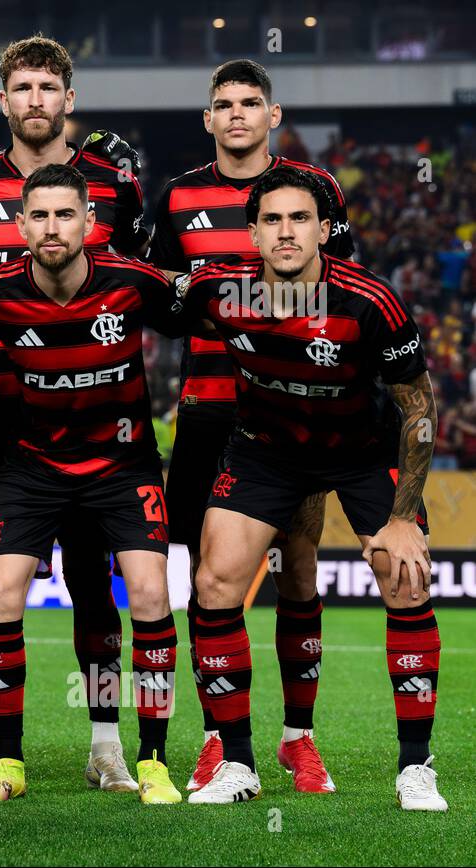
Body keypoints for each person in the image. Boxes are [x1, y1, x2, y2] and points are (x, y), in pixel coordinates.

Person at [180, 166, 445, 810]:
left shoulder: (368, 300)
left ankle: (416, 768)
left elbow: (420, 411)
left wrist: (404, 515)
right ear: (252, 233)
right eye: (272, 220)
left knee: (405, 576)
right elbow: (145, 291)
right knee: (214, 582)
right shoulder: (221, 295)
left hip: (359, 454)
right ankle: (236, 763)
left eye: (300, 219)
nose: (286, 232)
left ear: (325, 229)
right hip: (265, 453)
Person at [0, 34, 150, 792]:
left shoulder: (113, 184)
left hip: (101, 414)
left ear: (71, 99)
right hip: (3, 416)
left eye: (48, 88)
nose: (36, 101)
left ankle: (106, 746)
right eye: (22, 88)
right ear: (4, 101)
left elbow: (140, 279)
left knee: (97, 589)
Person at [150, 59, 356, 794]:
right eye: (222, 105)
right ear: (207, 119)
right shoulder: (176, 197)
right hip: (209, 409)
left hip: (298, 409)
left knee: (297, 569)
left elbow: (348, 299)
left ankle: (299, 740)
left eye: (250, 103)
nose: (236, 115)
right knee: (212, 580)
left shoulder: (316, 191)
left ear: (274, 115)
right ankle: (219, 742)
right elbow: (163, 307)